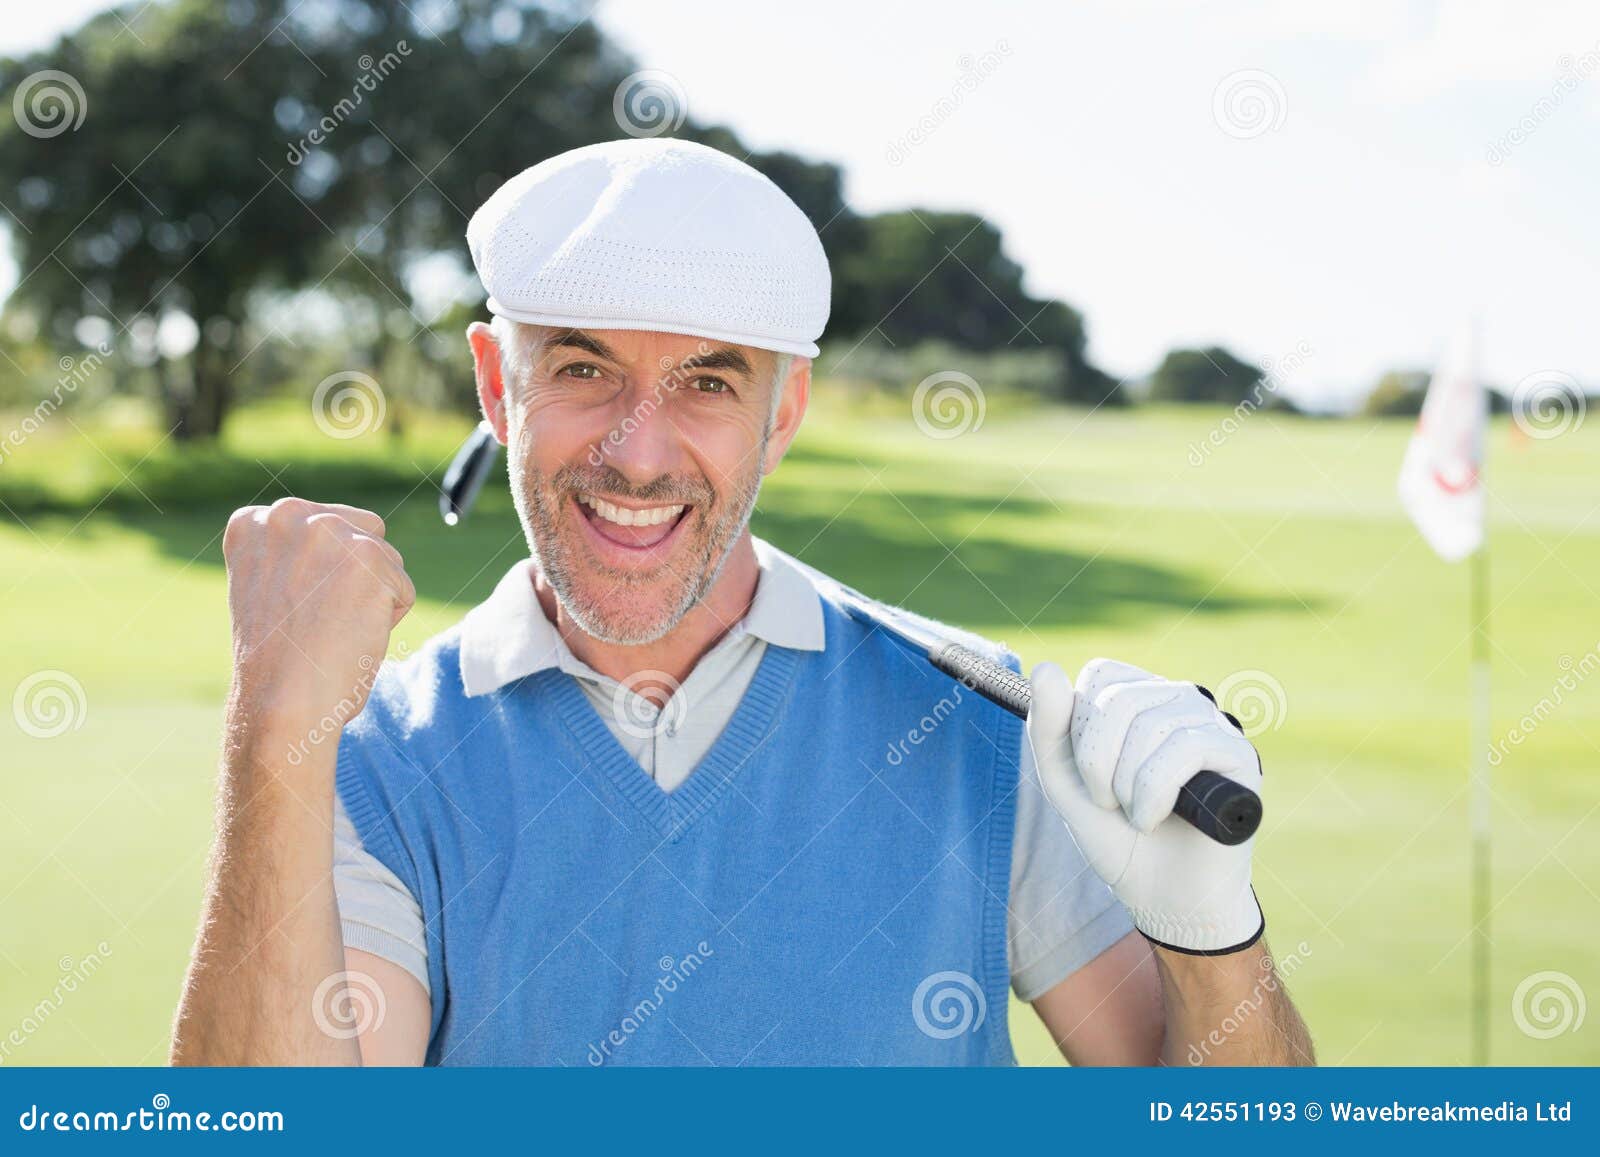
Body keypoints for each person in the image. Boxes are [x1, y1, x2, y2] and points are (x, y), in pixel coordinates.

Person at [171, 139, 1313, 1066]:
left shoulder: (984, 729)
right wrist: (273, 728)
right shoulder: (370, 761)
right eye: (581, 368)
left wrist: (1208, 931)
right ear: (492, 383)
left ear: (784, 409)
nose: (636, 451)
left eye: (707, 383)